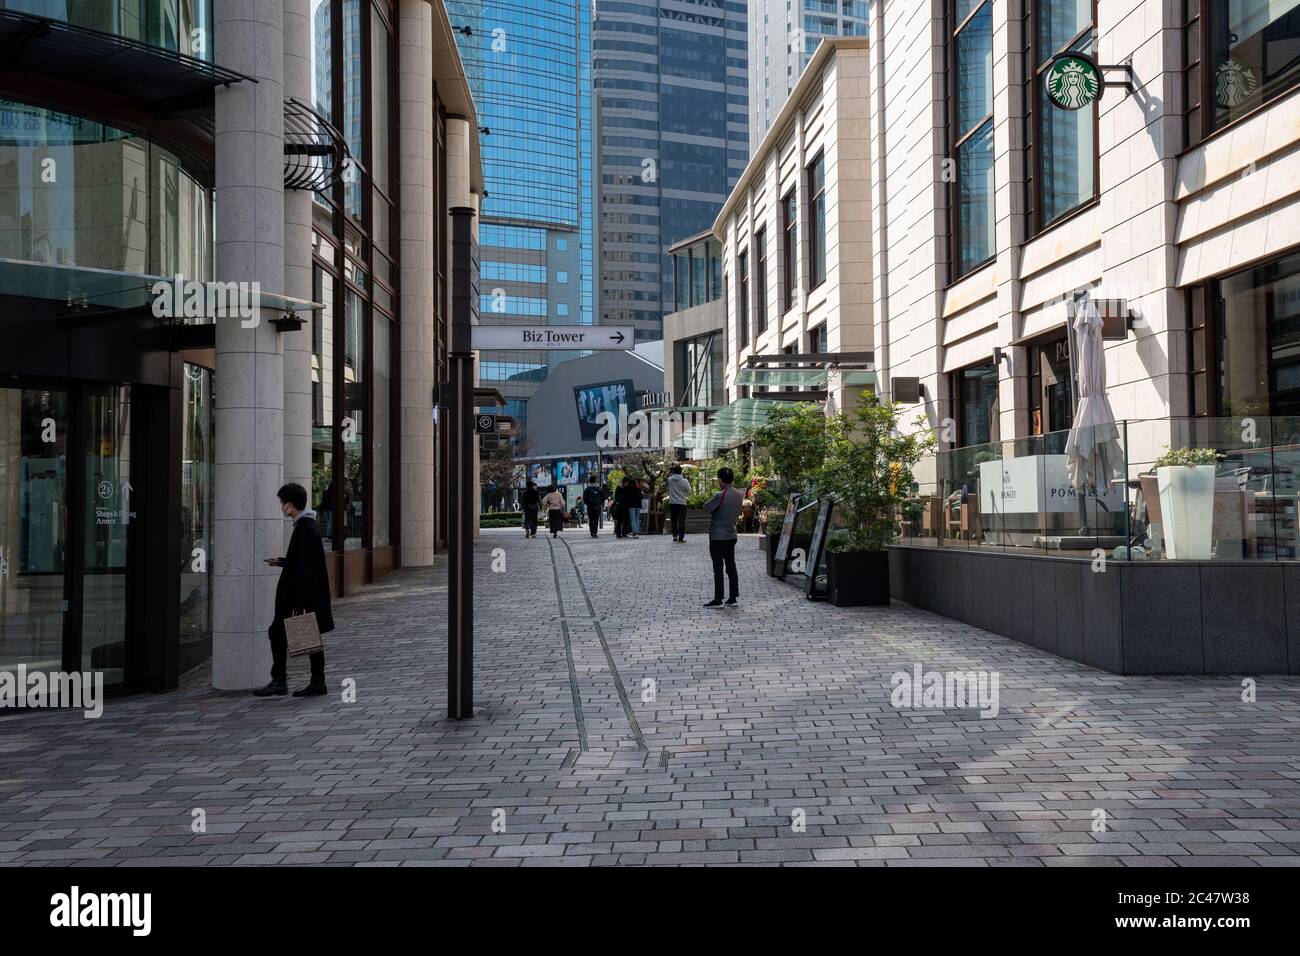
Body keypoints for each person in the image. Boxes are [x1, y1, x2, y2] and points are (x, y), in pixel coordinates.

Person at [254, 482, 333, 697]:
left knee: (284, 633)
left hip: (298, 597)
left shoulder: (305, 527)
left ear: (290, 504)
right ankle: (315, 682)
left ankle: (282, 681)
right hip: (303, 596)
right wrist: (283, 561)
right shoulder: (306, 525)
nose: (281, 507)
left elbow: (306, 567)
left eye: (282, 503)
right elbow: (302, 561)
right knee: (306, 636)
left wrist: (300, 603)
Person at [702, 466, 744, 607]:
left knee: (718, 568)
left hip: (717, 536)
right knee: (731, 566)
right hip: (731, 534)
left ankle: (718, 598)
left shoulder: (720, 495)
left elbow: (707, 508)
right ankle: (733, 597)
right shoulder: (739, 494)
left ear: (720, 479)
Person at [667, 464, 691, 543]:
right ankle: (681, 539)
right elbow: (689, 491)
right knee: (681, 521)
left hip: (672, 503)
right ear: (681, 472)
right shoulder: (685, 481)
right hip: (681, 503)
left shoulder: (669, 480)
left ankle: (675, 536)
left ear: (673, 472)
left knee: (673, 520)